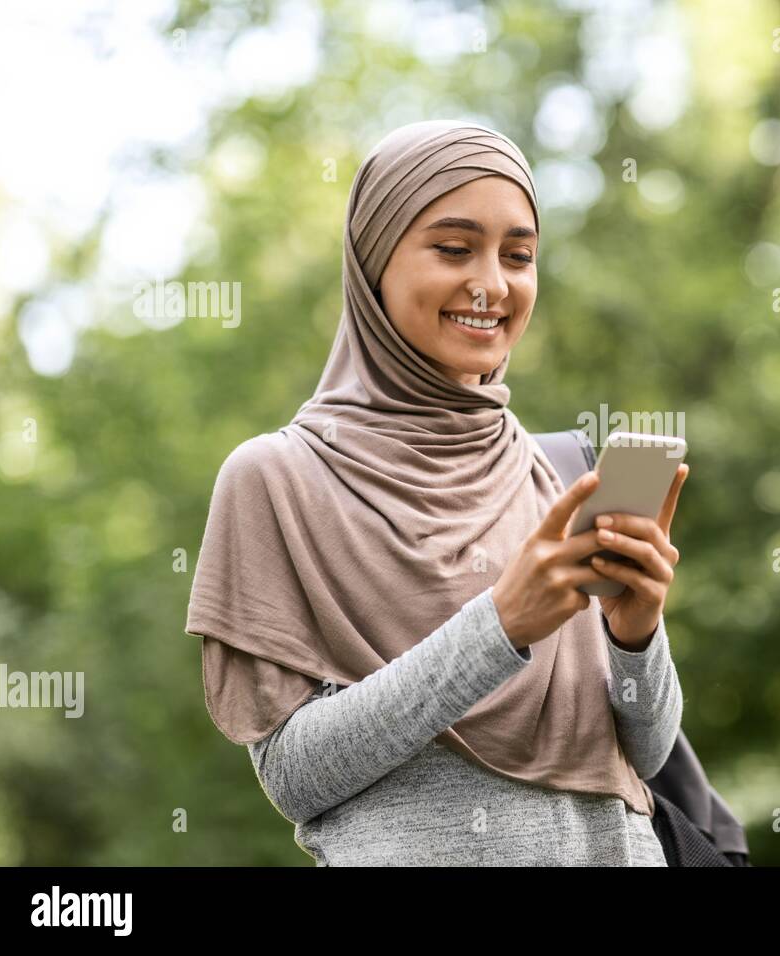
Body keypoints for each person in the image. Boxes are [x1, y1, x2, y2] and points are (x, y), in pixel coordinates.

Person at [184, 119, 690, 866]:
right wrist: (500, 627)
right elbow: (293, 776)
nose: (491, 283)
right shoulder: (276, 479)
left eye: (518, 256)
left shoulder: (549, 475)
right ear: (374, 262)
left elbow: (642, 758)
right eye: (454, 248)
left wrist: (637, 632)